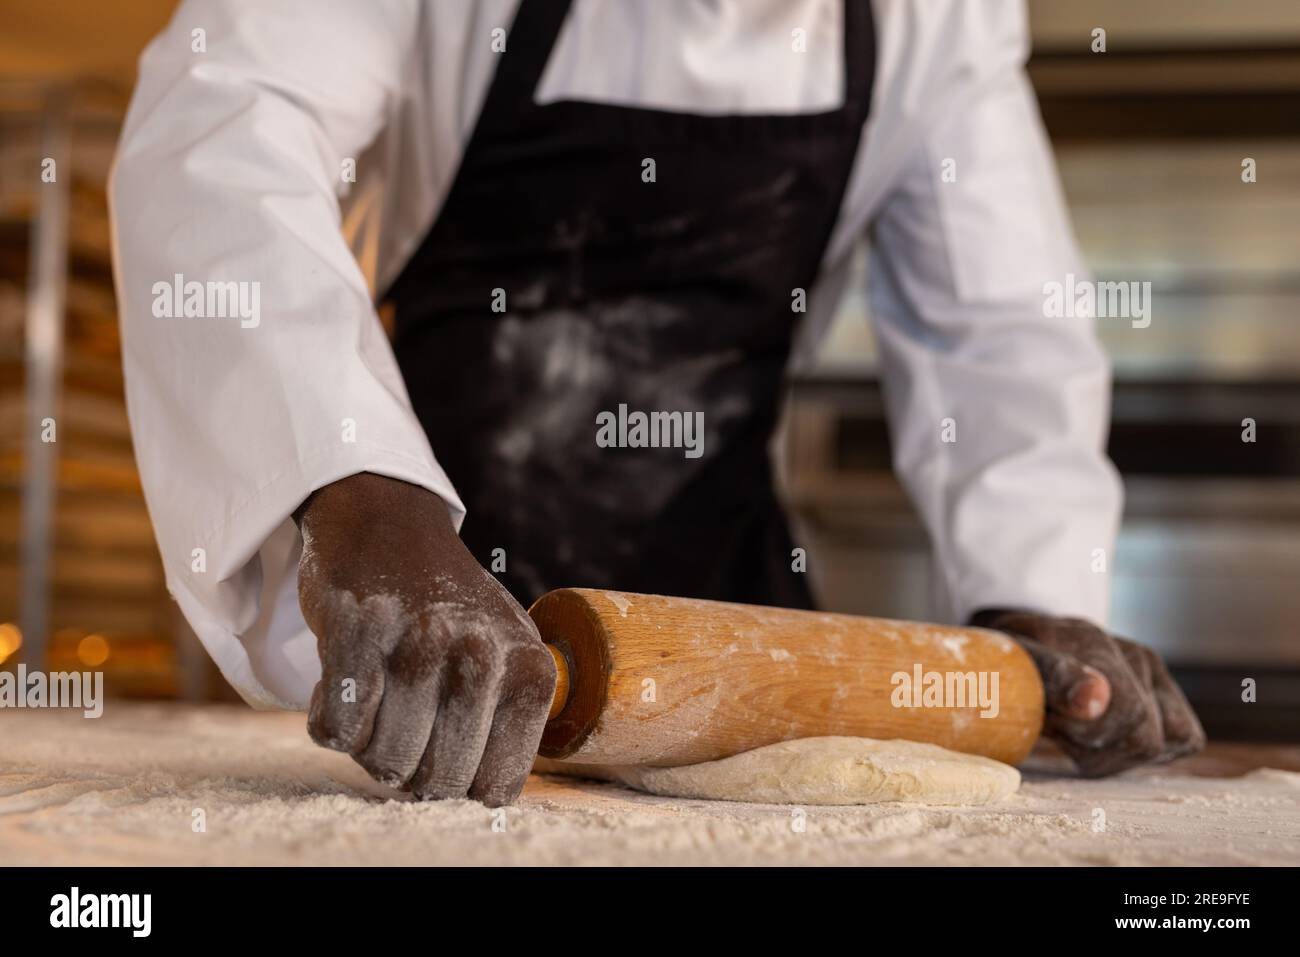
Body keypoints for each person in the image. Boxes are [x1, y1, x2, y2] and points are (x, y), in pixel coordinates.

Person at [111, 0, 1204, 807]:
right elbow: (221, 131)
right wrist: (356, 491)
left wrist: (1034, 595)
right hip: (419, 626)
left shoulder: (936, 20)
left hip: (738, 648)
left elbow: (999, 331)